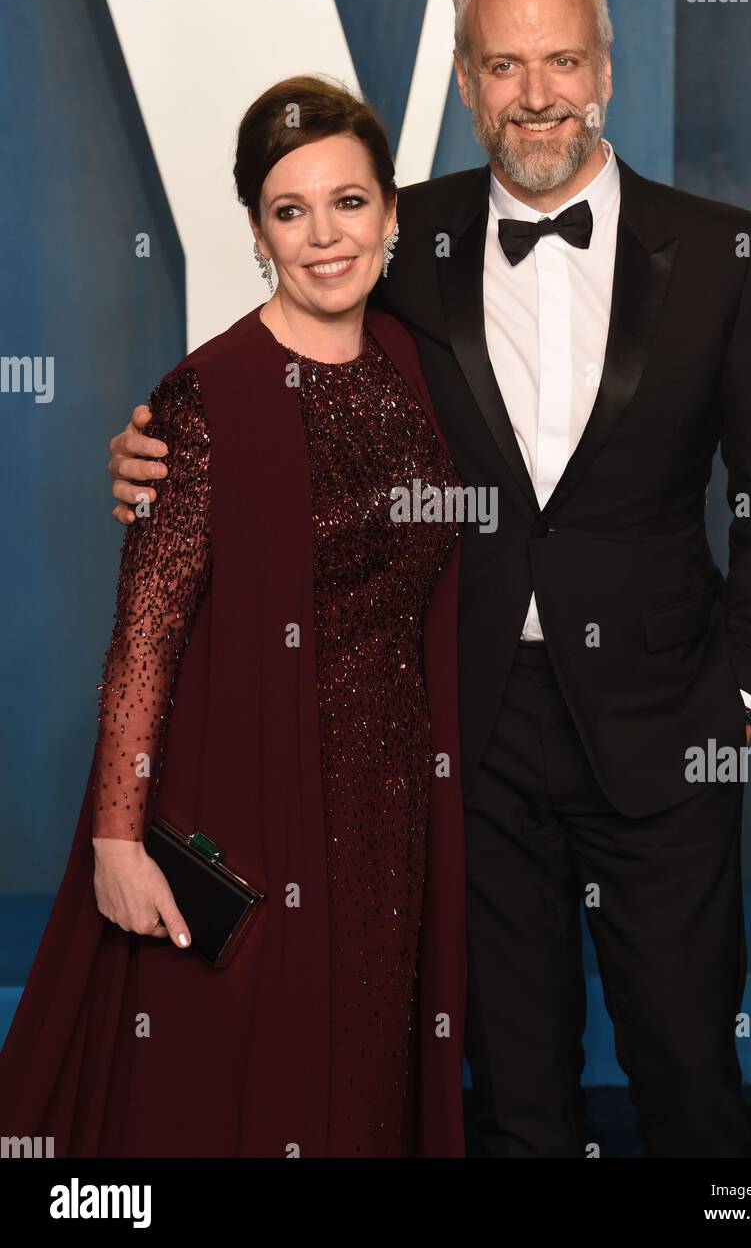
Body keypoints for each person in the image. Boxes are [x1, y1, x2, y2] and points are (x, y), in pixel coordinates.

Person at [106, 0, 751, 1158]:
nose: (534, 93)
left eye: (560, 60)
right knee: (513, 1096)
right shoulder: (396, 240)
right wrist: (159, 443)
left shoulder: (723, 251)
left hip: (666, 722)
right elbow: (281, 362)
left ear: (605, 70)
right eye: (502, 64)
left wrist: (740, 700)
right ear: (462, 78)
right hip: (462, 728)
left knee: (692, 1078)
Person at [0, 76, 466, 1158]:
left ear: (390, 215)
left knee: (368, 1062)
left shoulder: (414, 365)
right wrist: (118, 836)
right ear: (258, 232)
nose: (323, 236)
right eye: (289, 211)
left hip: (394, 795)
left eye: (348, 203)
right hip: (258, 787)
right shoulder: (206, 400)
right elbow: (146, 634)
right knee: (252, 1074)